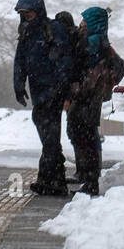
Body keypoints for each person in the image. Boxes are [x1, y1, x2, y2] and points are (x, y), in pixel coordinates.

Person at [13, 0, 74, 195]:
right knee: (48, 136)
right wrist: (19, 85)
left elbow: (64, 60)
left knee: (49, 136)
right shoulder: (26, 32)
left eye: (28, 13)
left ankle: (48, 179)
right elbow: (20, 60)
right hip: (38, 91)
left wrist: (61, 88)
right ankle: (54, 180)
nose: (26, 17)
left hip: (53, 91)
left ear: (38, 11)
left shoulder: (53, 30)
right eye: (23, 14)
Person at [65, 6, 124, 197]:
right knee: (84, 134)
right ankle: (87, 176)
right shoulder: (101, 41)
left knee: (83, 136)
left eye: (85, 21)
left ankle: (90, 180)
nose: (82, 24)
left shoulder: (92, 42)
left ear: (92, 22)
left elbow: (83, 71)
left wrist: (74, 91)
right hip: (91, 97)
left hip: (86, 97)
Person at [54, 10, 89, 184]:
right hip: (79, 92)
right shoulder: (77, 37)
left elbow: (71, 71)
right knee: (80, 133)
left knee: (77, 132)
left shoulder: (70, 41)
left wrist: (67, 96)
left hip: (76, 93)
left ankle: (84, 172)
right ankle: (84, 171)